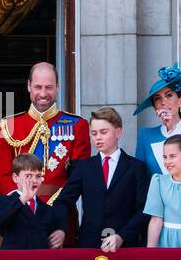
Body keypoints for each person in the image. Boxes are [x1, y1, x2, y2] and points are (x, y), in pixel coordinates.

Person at [0, 62, 89, 246]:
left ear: (58, 87)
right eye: (38, 87)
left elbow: (77, 180)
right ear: (29, 86)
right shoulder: (5, 126)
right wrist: (22, 207)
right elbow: (2, 177)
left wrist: (60, 222)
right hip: (19, 216)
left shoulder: (78, 125)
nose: (43, 94)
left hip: (60, 218)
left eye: (49, 87)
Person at [49, 107, 149, 252]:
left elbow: (144, 210)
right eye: (94, 133)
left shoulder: (136, 167)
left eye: (103, 132)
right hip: (89, 245)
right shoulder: (84, 167)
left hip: (125, 247)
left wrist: (122, 236)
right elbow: (63, 201)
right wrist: (61, 229)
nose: (98, 137)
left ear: (118, 132)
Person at [133, 62, 181, 177]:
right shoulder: (145, 135)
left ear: (180, 101)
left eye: (169, 95)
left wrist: (172, 128)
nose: (163, 102)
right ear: (155, 107)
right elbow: (139, 177)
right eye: (157, 98)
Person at [0, 154, 62, 250]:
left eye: (38, 176)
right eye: (28, 176)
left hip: (39, 257)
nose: (34, 180)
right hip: (14, 257)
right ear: (15, 178)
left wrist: (60, 231)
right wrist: (22, 199)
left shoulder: (46, 208)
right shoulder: (5, 201)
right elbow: (0, 220)